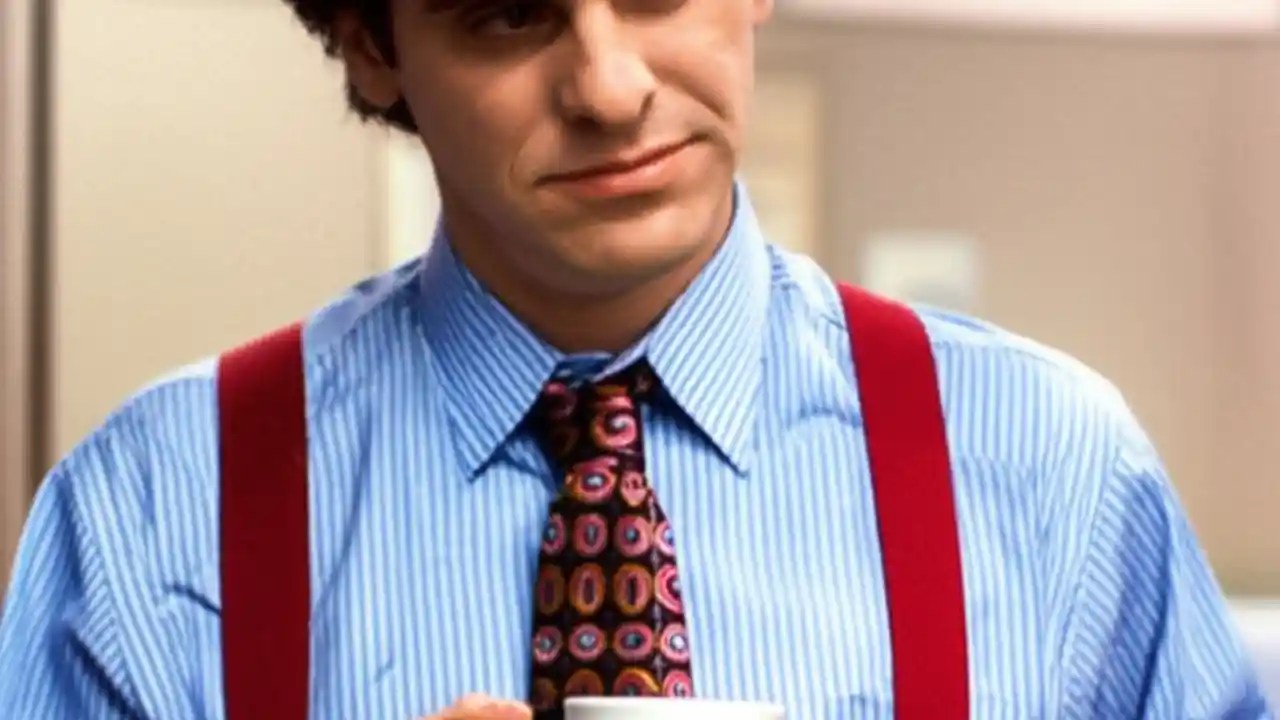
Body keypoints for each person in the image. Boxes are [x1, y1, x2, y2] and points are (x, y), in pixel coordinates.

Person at [0, 0, 1270, 717]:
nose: (609, 87)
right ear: (373, 42)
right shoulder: (152, 520)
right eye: (506, 14)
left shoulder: (1050, 471)